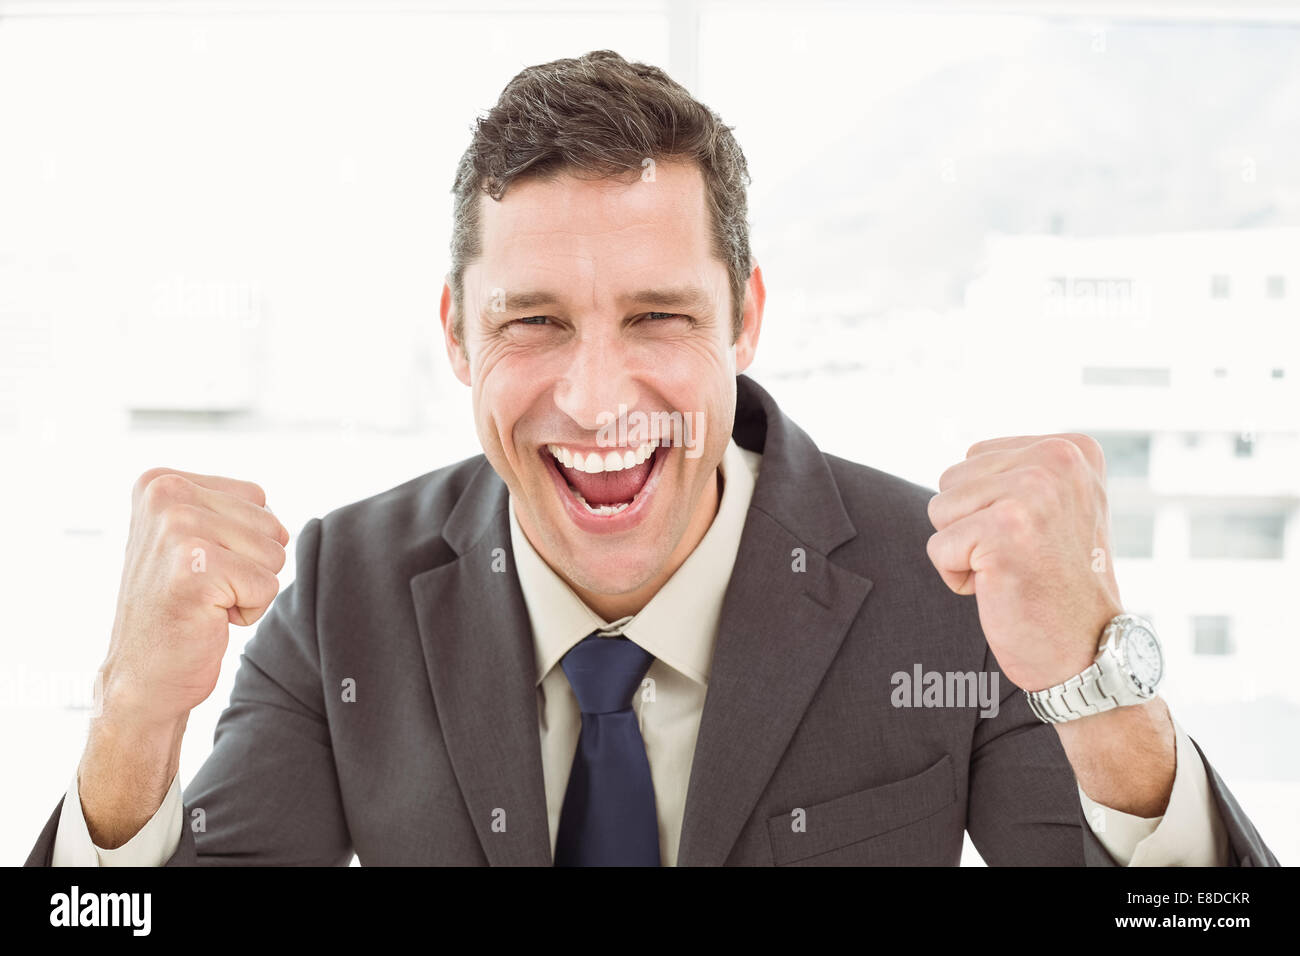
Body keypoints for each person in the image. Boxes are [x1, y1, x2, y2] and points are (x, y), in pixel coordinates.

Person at [28, 50, 1275, 867]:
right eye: (534, 322)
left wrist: (1104, 689)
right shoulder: (346, 588)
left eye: (658, 317)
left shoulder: (947, 593)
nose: (594, 395)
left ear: (746, 319)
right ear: (457, 334)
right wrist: (132, 720)